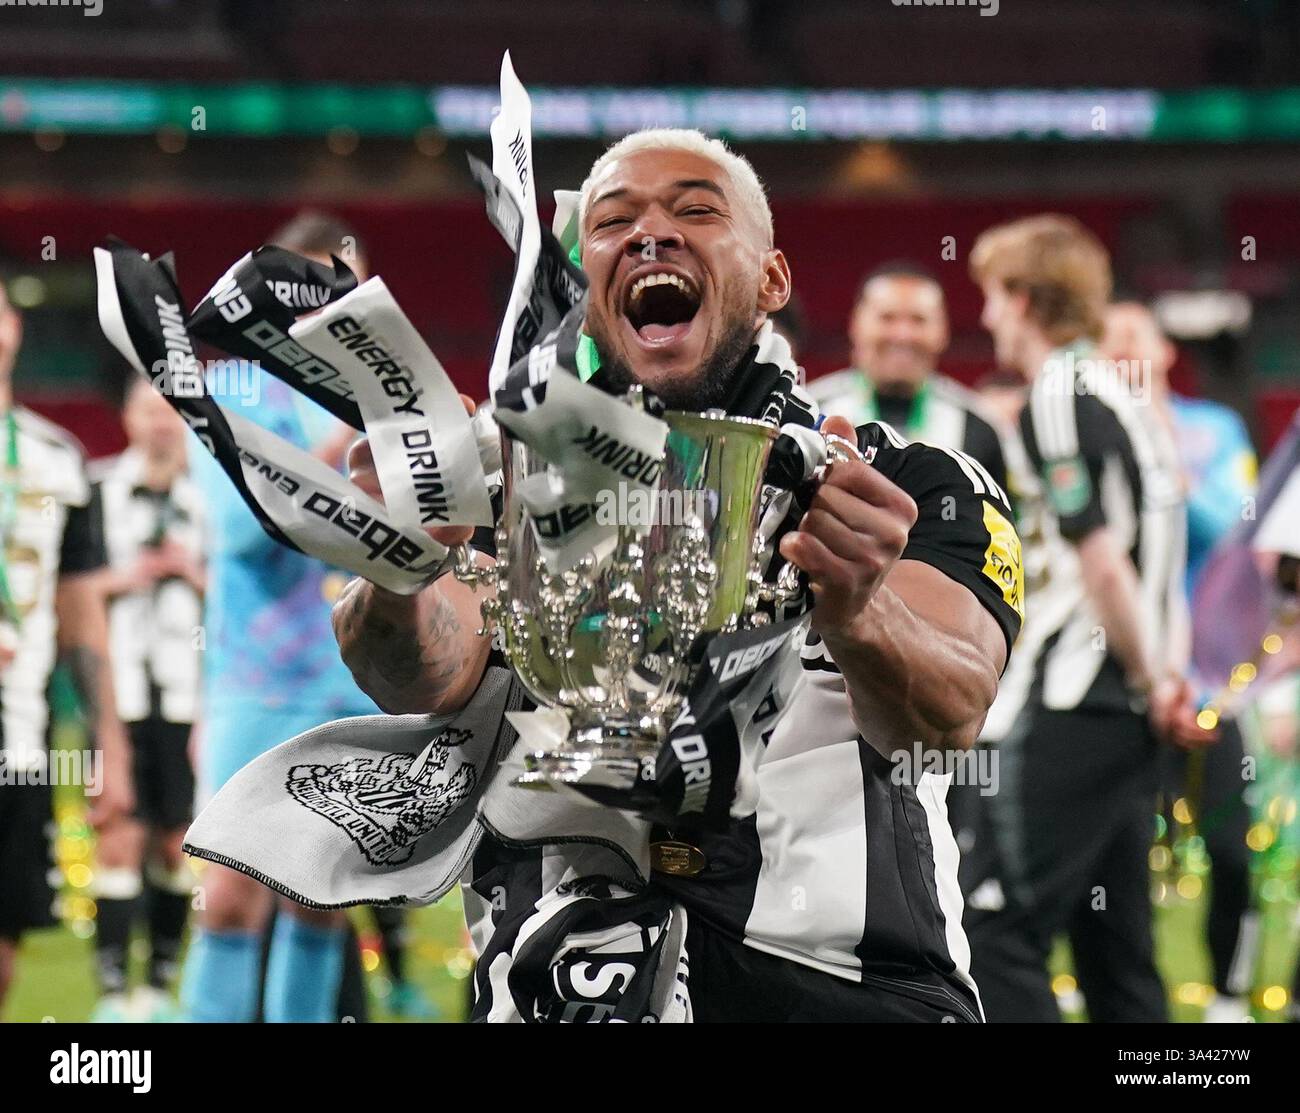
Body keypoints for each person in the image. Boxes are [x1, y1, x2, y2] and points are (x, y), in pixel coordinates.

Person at [333, 128, 1025, 1021]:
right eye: (614, 221)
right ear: (584, 289)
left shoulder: (905, 480)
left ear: (773, 280)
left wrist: (860, 608)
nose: (650, 234)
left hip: (842, 984)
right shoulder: (502, 475)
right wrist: (402, 564)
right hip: (570, 977)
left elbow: (951, 708)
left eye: (696, 209)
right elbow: (414, 673)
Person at [963, 214, 1215, 1022]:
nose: (987, 318)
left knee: (991, 927)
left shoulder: (1061, 395)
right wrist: (1165, 682)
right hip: (1130, 707)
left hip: (1077, 697)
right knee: (1117, 954)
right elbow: (1156, 559)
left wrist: (1147, 675)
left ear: (1029, 298)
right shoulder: (1127, 396)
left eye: (994, 297)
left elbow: (1104, 563)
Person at [177, 212, 380, 1023]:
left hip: (350, 683)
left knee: (319, 898)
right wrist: (334, 446)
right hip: (256, 687)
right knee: (229, 897)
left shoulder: (386, 401)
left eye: (354, 294)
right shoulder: (229, 388)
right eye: (325, 289)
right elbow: (239, 530)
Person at [1101, 302, 1258, 1022]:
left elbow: (1236, 531)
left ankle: (1228, 989)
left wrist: (1165, 451)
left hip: (1209, 682)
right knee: (1118, 857)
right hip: (1120, 684)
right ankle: (1135, 1003)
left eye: (1137, 336)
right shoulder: (1088, 431)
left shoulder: (1211, 430)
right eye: (1110, 340)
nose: (1125, 349)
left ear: (1165, 350)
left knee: (1231, 848)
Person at [0, 279, 133, 1016]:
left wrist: (107, 741)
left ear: (16, 326)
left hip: (20, 736)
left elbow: (82, 615)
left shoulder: (58, 459)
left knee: (8, 937)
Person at [88, 376, 205, 1021]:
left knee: (176, 842)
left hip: (189, 695)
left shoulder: (212, 499)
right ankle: (111, 996)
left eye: (171, 413)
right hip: (119, 694)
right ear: (128, 418)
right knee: (118, 835)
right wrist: (123, 578)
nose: (161, 423)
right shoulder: (98, 489)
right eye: (148, 410)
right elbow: (73, 592)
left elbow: (238, 599)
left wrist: (193, 573)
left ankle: (158, 991)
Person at [809, 262, 1009, 493]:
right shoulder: (810, 412)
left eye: (918, 320)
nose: (903, 335)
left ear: (943, 331)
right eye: (887, 318)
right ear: (856, 324)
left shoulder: (981, 426)